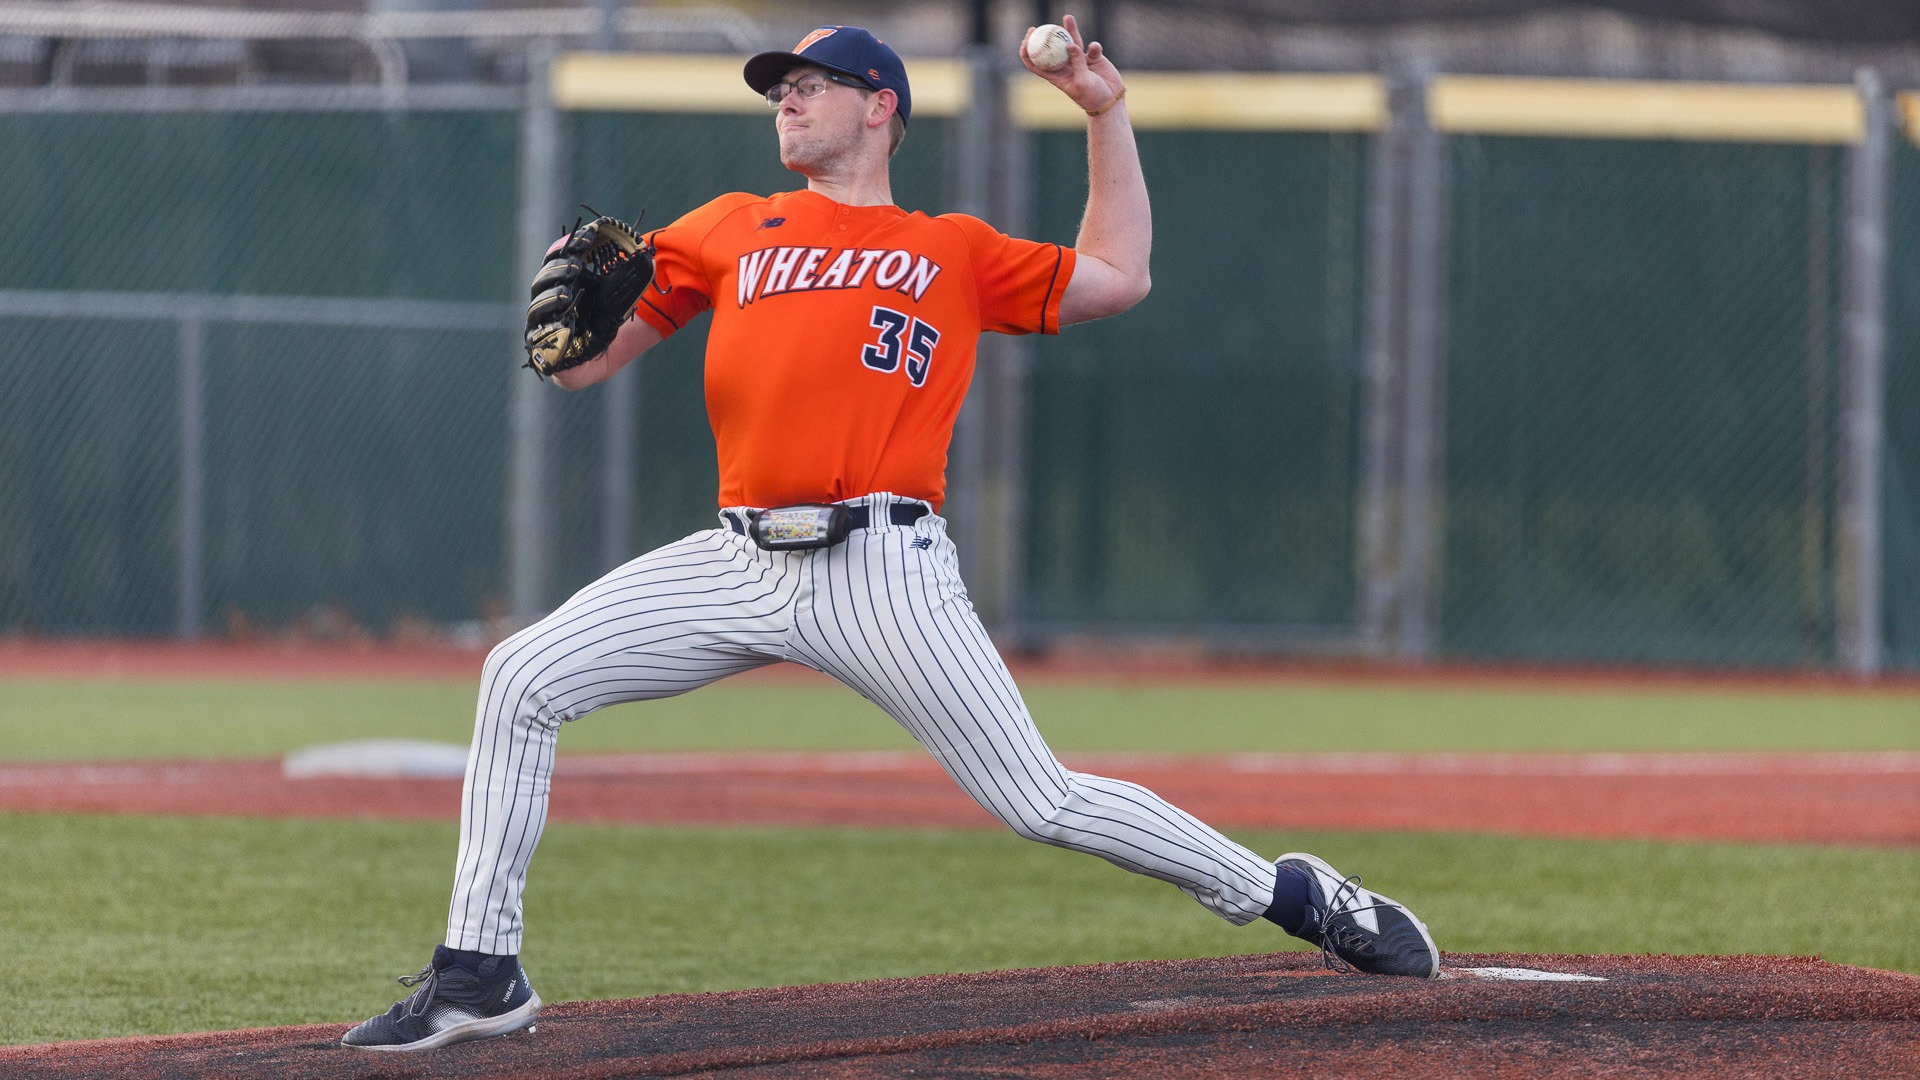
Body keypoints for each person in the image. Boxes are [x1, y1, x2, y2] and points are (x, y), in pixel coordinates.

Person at [342, 16, 1439, 1053]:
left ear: (882, 109)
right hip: (736, 557)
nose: (787, 101)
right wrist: (564, 326)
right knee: (520, 676)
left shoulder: (950, 248)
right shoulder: (729, 226)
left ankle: (1296, 896)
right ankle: (480, 974)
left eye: (809, 86)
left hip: (883, 567)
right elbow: (585, 365)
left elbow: (1120, 277)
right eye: (779, 88)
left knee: (1042, 801)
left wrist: (1105, 114)